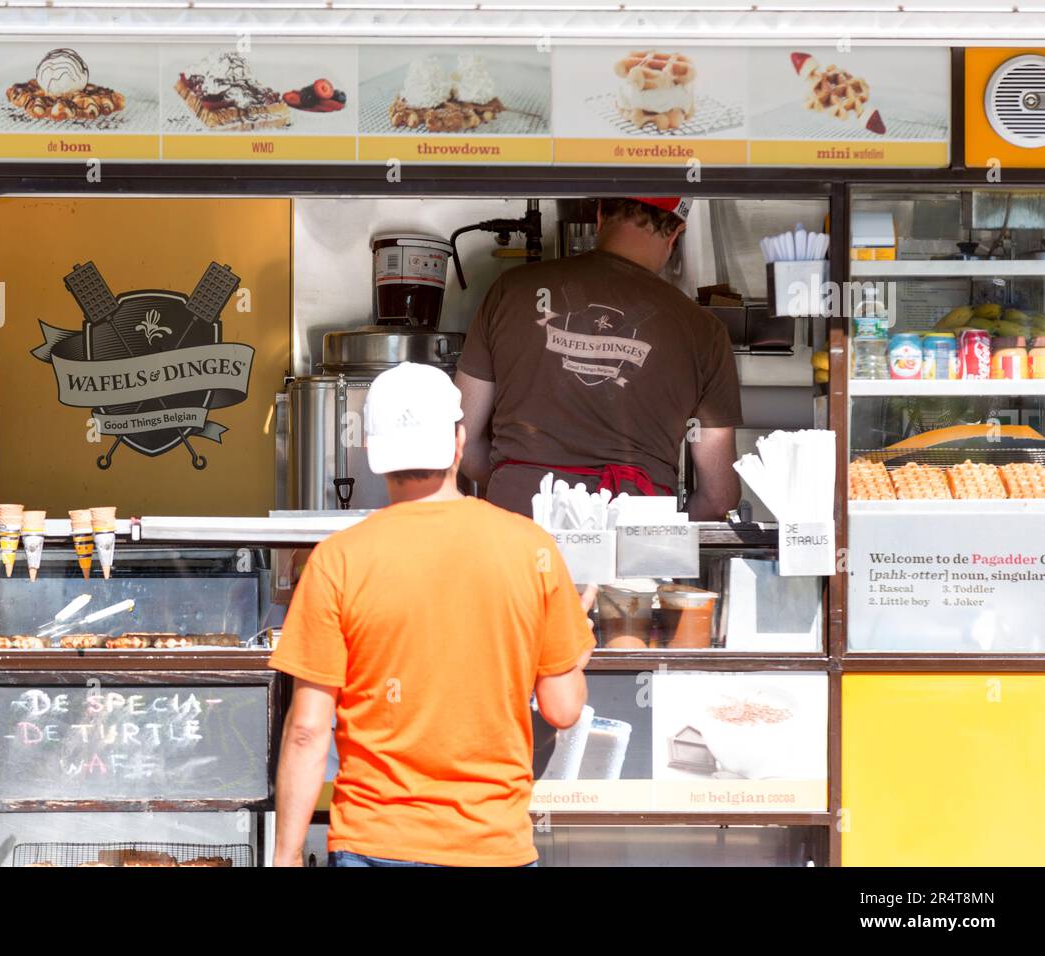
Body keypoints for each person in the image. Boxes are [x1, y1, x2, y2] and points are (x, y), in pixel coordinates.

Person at [270, 362, 596, 868]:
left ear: (373, 453)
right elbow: (563, 709)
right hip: (491, 844)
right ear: (459, 442)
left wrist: (288, 857)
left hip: (374, 843)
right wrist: (575, 643)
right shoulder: (530, 548)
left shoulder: (337, 560)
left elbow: (308, 731)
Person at [455, 196, 743, 520]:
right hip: (635, 544)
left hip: (520, 537)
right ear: (676, 233)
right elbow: (719, 498)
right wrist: (665, 543)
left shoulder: (510, 289)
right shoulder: (704, 330)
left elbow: (461, 442)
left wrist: (518, 486)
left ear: (600, 215)